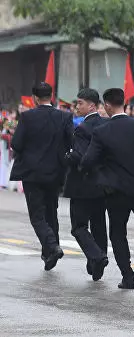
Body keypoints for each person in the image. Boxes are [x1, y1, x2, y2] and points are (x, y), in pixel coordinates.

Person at [80, 88, 134, 289]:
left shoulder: (102, 131)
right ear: (125, 103)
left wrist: (94, 172)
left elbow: (89, 160)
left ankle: (128, 276)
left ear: (107, 105)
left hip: (116, 191)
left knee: (118, 233)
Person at [9, 82, 73, 270]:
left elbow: (17, 144)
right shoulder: (65, 116)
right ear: (51, 96)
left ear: (35, 98)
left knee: (37, 215)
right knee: (51, 212)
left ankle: (52, 247)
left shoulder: (28, 117)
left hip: (32, 173)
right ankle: (49, 254)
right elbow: (71, 142)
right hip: (55, 173)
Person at [63, 88, 108, 281]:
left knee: (79, 227)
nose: (76, 106)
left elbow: (80, 156)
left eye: (80, 103)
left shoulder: (83, 128)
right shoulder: (106, 125)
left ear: (92, 105)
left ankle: (97, 257)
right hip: (102, 184)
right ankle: (98, 263)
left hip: (83, 184)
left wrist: (67, 156)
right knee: (98, 225)